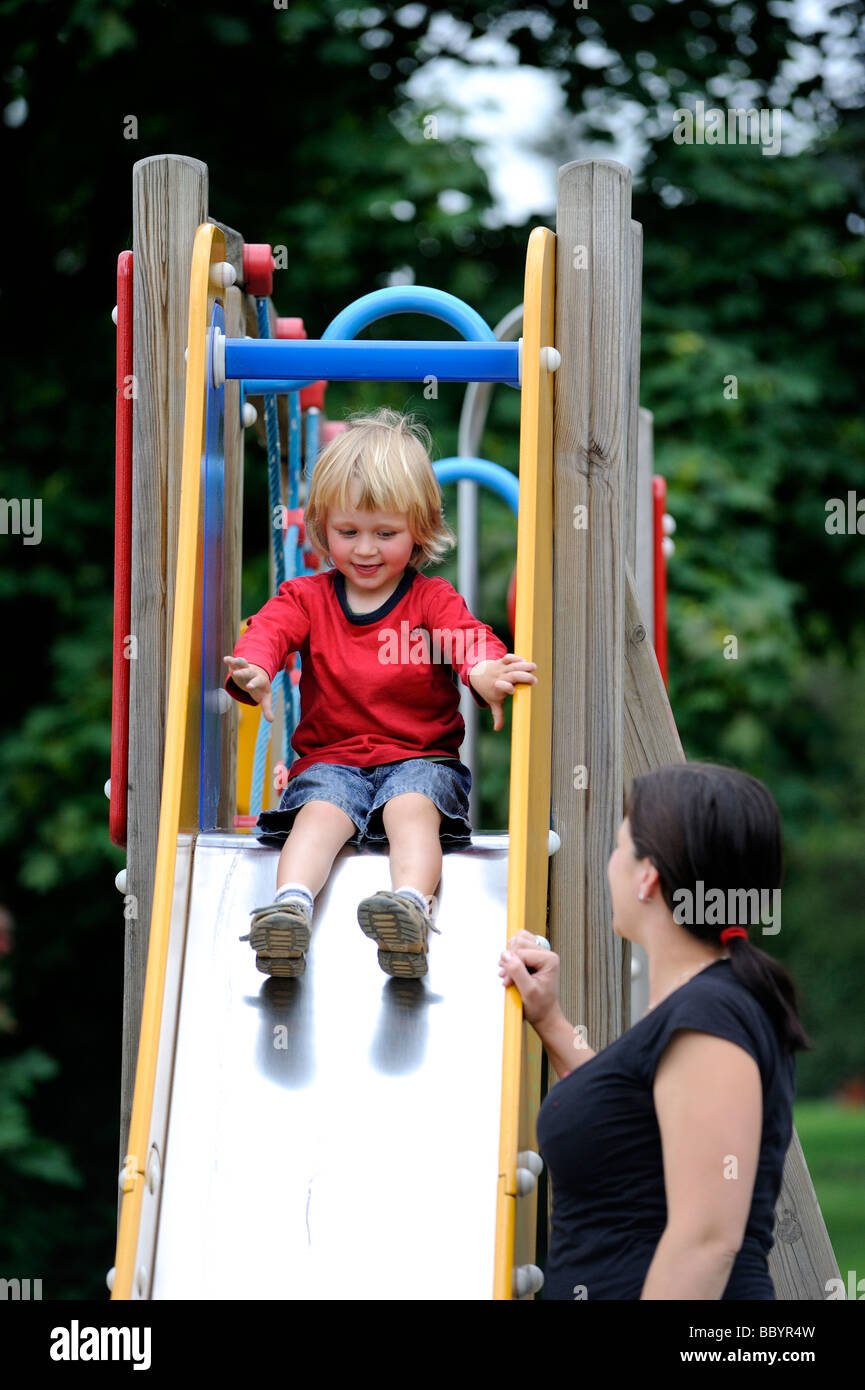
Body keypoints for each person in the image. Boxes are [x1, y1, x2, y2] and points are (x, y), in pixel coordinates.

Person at [224, 407, 537, 980]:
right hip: (332, 762)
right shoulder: (307, 597)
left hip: (419, 760)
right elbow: (269, 631)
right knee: (316, 816)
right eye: (348, 533)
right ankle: (290, 910)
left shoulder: (430, 600)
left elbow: (467, 639)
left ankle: (411, 911)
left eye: (385, 534)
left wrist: (487, 670)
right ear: (323, 528)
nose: (365, 549)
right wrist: (256, 669)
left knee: (411, 811)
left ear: (418, 530)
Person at [499, 761, 812, 1300]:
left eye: (621, 846)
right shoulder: (709, 1005)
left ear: (648, 876)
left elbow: (705, 1240)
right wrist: (550, 1019)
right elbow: (630, 1122)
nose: (611, 862)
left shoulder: (712, 1014)